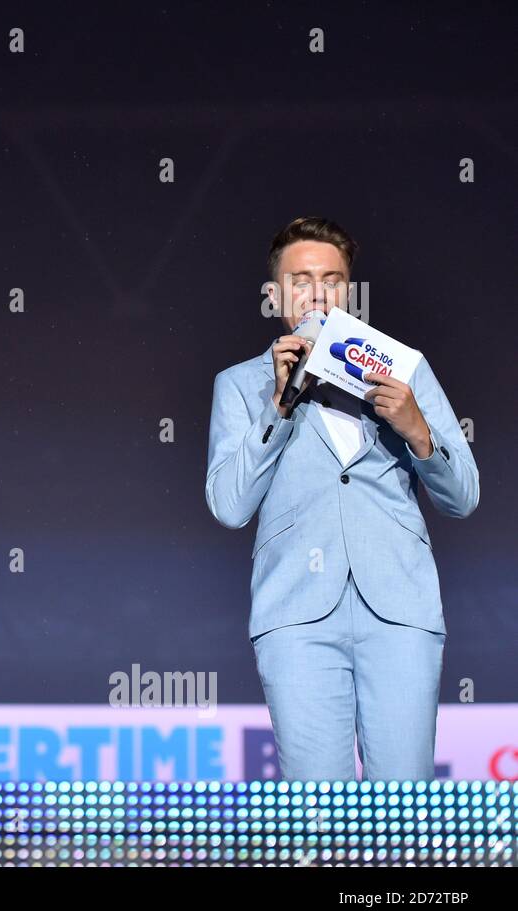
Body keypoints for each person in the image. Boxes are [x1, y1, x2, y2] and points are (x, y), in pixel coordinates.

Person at [205, 217, 479, 781]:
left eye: (332, 280)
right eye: (301, 280)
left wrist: (417, 429)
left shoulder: (405, 371)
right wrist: (278, 408)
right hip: (296, 615)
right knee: (316, 812)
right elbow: (229, 507)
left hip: (400, 608)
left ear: (349, 291)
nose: (317, 293)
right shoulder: (240, 384)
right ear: (275, 295)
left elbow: (464, 497)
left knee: (405, 807)